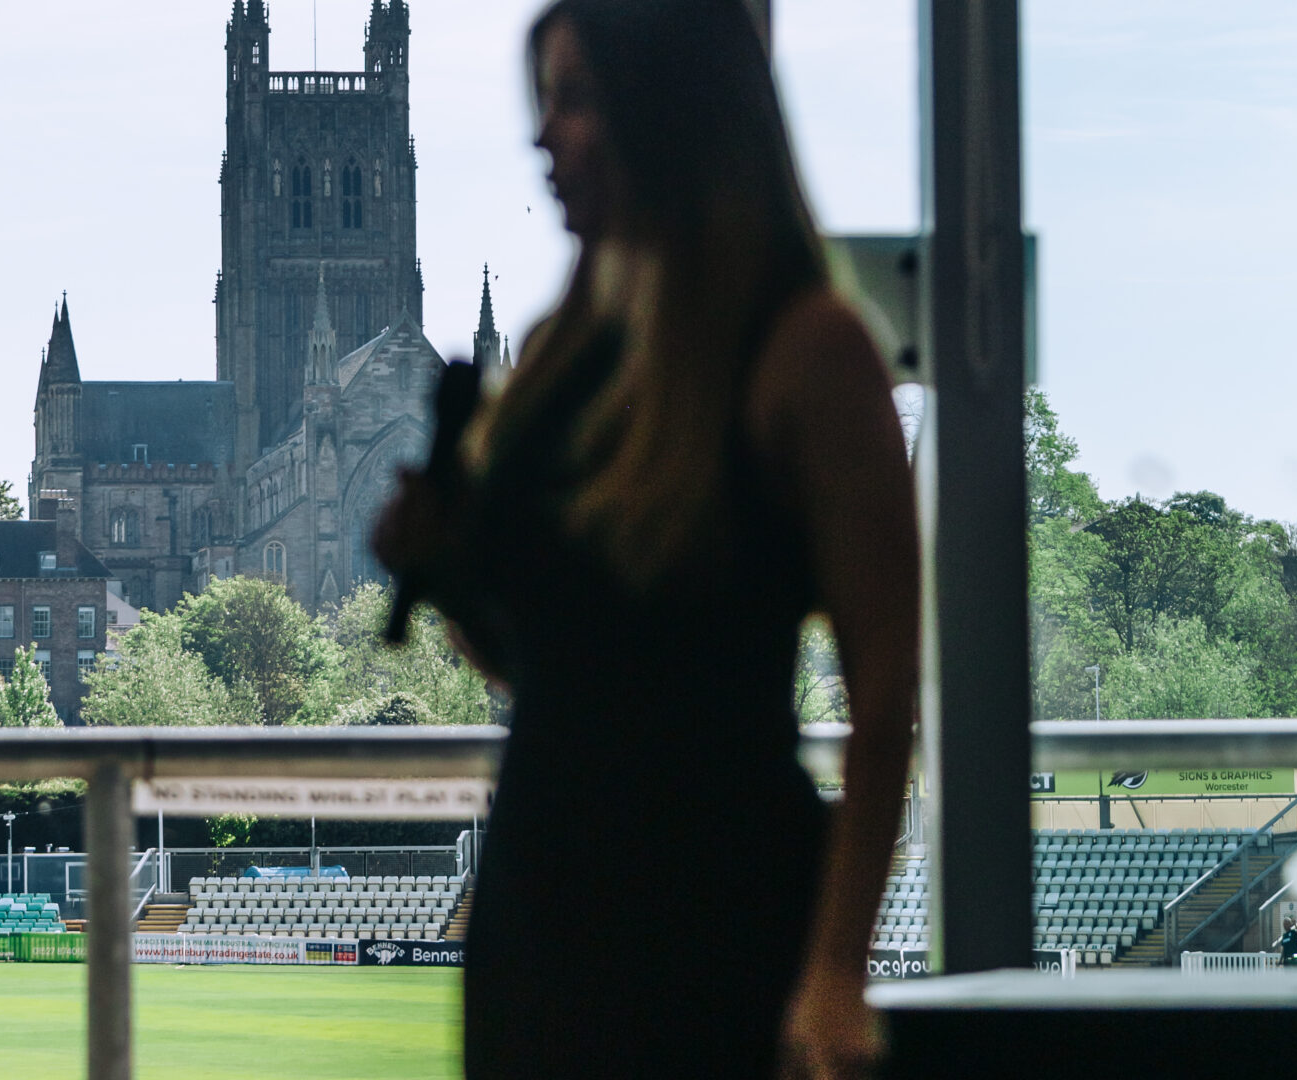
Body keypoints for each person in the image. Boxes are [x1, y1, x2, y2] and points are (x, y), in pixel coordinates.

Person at [372, 0, 917, 1075]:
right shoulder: (560, 352)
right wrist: (439, 568)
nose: (543, 138)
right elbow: (548, 662)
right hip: (541, 916)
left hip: (716, 918)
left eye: (574, 99)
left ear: (669, 109)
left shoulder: (810, 350)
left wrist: (836, 968)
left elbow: (888, 691)